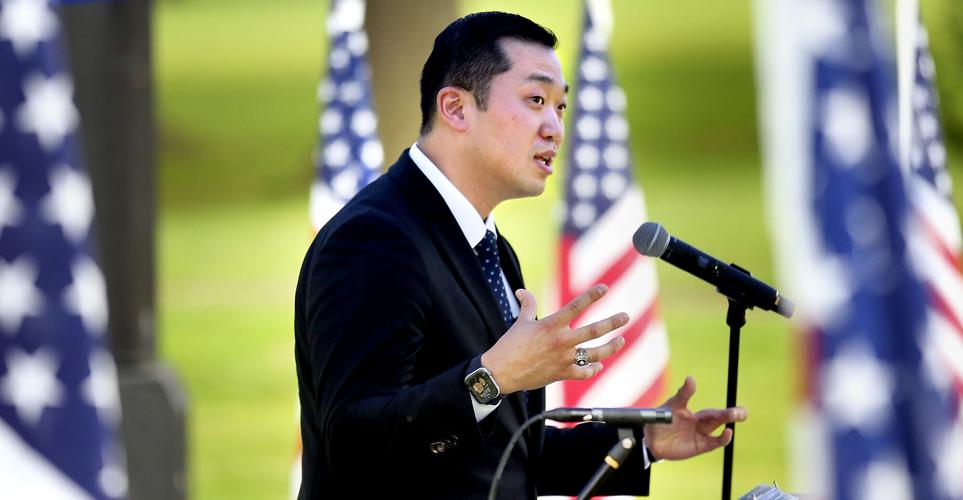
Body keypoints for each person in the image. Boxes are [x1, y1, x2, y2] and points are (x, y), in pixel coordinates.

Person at [294, 11, 747, 499]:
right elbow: (355, 444)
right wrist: (493, 377)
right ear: (456, 108)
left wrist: (642, 443)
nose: (555, 128)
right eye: (535, 100)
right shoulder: (375, 239)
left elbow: (503, 454)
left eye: (561, 107)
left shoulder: (491, 248)